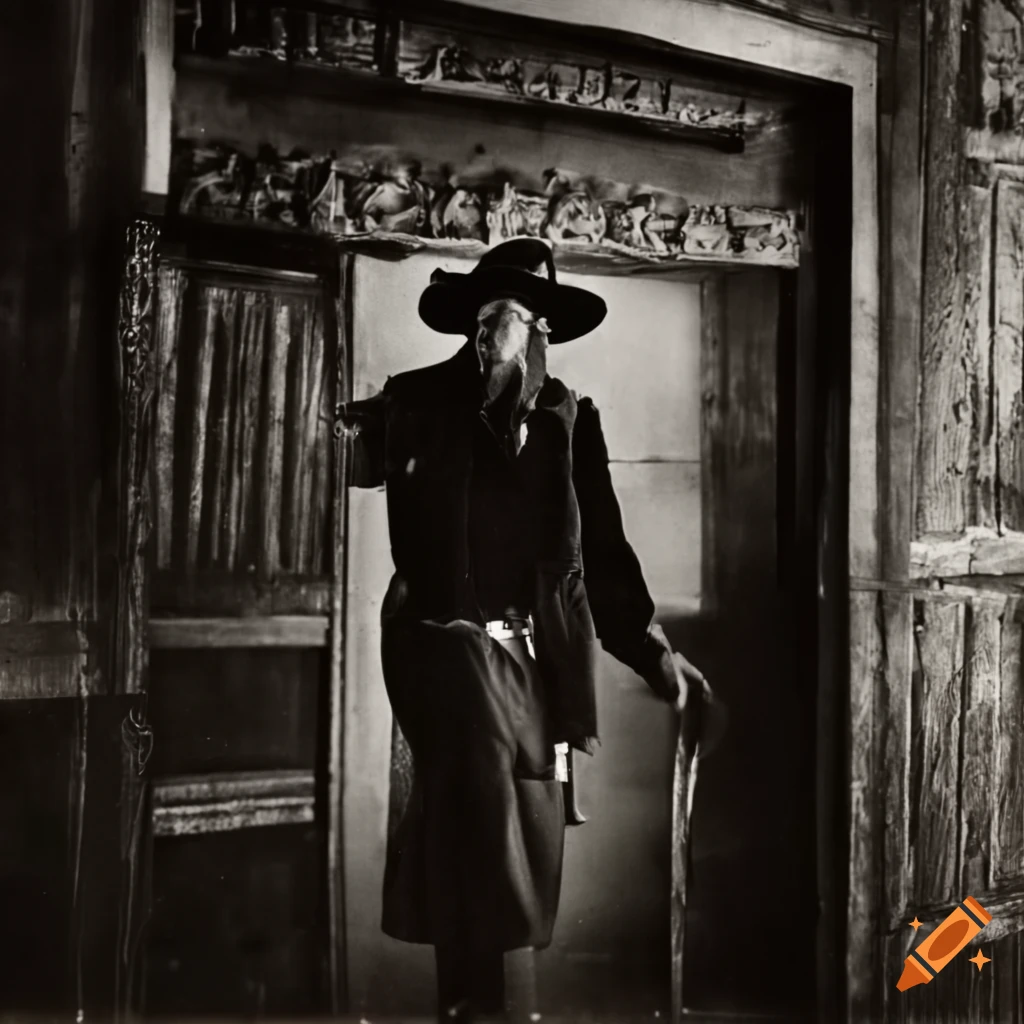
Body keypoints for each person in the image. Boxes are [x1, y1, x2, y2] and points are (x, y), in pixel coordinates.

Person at [341, 238, 724, 1023]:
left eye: (520, 317)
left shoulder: (568, 421)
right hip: (440, 645)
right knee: (482, 831)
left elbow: (605, 556)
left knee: (513, 843)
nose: (503, 334)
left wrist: (655, 655)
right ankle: (481, 1007)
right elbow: (340, 458)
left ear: (544, 326)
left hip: (529, 660)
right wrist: (342, 432)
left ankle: (482, 1004)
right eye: (490, 318)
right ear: (472, 329)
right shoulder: (414, 403)